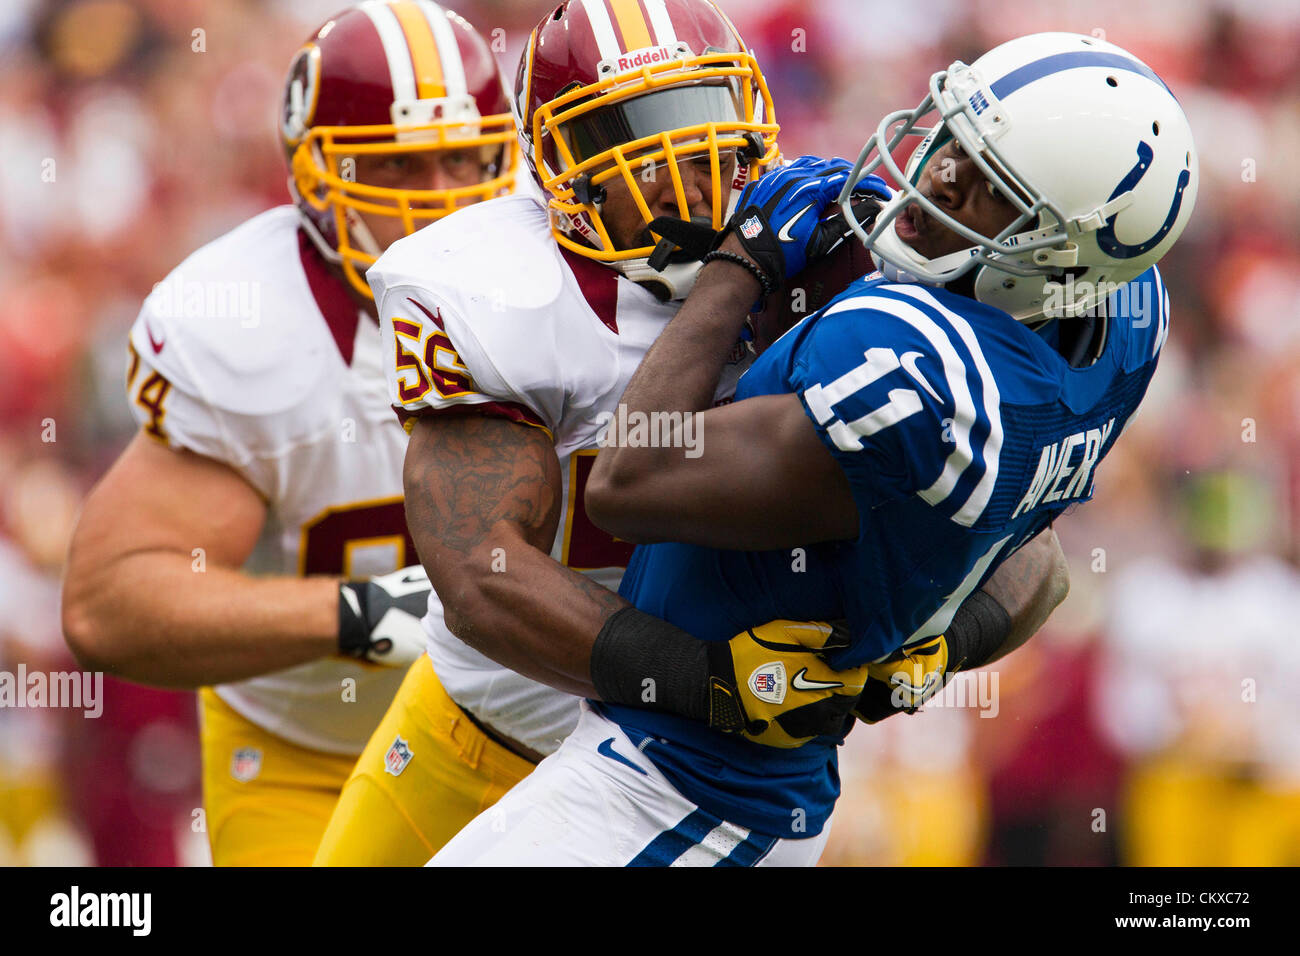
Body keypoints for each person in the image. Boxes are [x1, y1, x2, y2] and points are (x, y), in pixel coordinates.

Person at [320, 0, 1068, 866]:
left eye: (705, 115)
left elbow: (1030, 548)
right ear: (557, 163)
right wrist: (709, 682)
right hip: (484, 740)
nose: (685, 159)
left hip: (688, 780)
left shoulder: (843, 262)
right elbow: (483, 577)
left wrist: (940, 640)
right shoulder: (491, 289)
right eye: (633, 130)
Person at [60, 0, 517, 866]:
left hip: (523, 738)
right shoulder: (251, 326)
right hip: (307, 756)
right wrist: (362, 613)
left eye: (465, 157)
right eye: (403, 168)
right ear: (317, 178)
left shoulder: (559, 280)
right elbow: (106, 602)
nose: (444, 201)